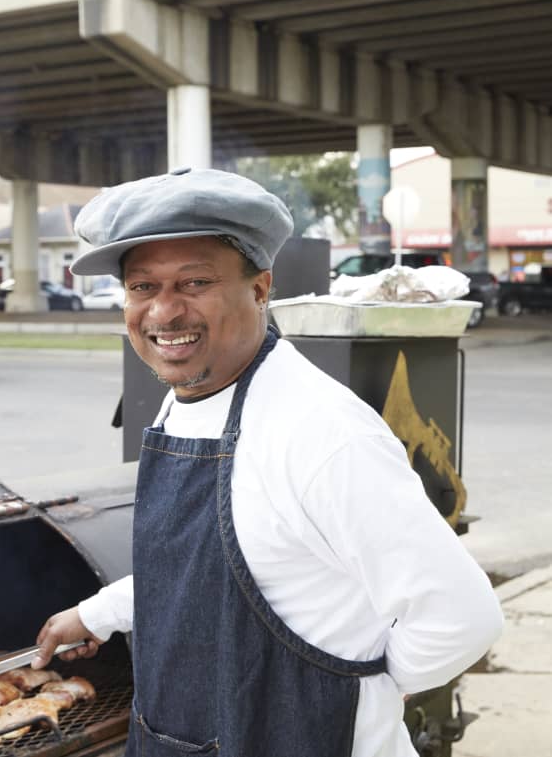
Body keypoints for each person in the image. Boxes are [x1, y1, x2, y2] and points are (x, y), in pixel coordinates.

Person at [32, 168, 503, 757]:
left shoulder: (319, 432)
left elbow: (461, 615)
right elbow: (212, 571)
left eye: (194, 281)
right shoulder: (183, 404)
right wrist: (98, 612)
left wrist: (364, 693)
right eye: (142, 287)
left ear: (260, 288)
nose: (164, 312)